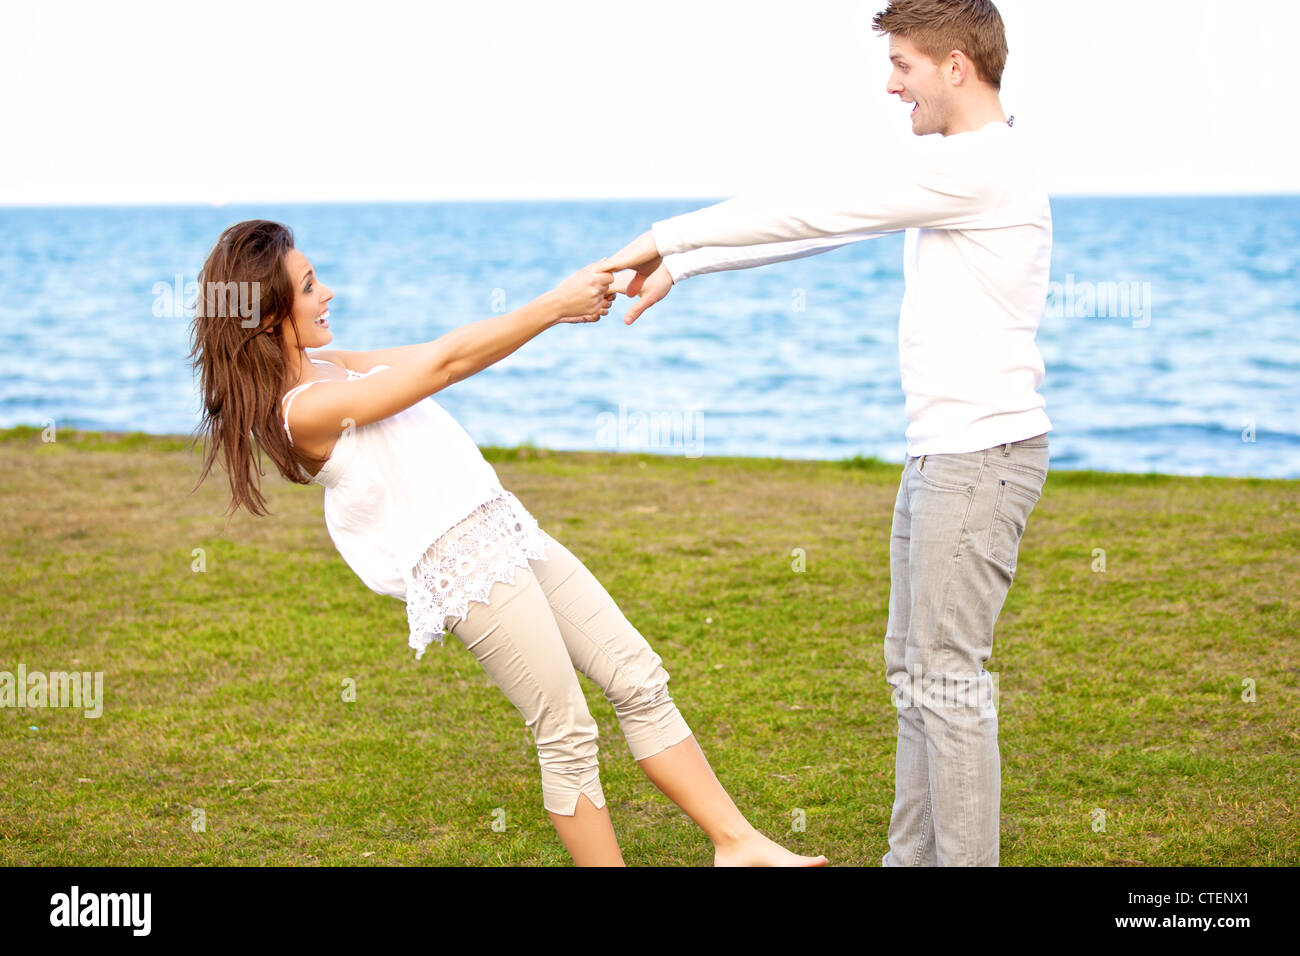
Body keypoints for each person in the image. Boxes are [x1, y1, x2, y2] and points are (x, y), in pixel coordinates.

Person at [186, 218, 827, 867]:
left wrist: (575, 295)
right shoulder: (301, 410)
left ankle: (737, 844)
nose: (327, 295)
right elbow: (445, 365)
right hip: (457, 562)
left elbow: (438, 348)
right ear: (268, 316)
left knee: (638, 677)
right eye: (309, 286)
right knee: (566, 730)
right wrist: (554, 305)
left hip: (500, 526)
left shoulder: (326, 364)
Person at [602, 0, 1050, 866]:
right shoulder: (960, 166)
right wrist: (684, 262)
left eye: (905, 66)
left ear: (957, 66)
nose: (892, 84)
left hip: (978, 458)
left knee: (947, 682)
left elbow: (821, 211)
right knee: (916, 676)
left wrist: (661, 238)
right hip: (944, 455)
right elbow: (818, 225)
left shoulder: (983, 168)